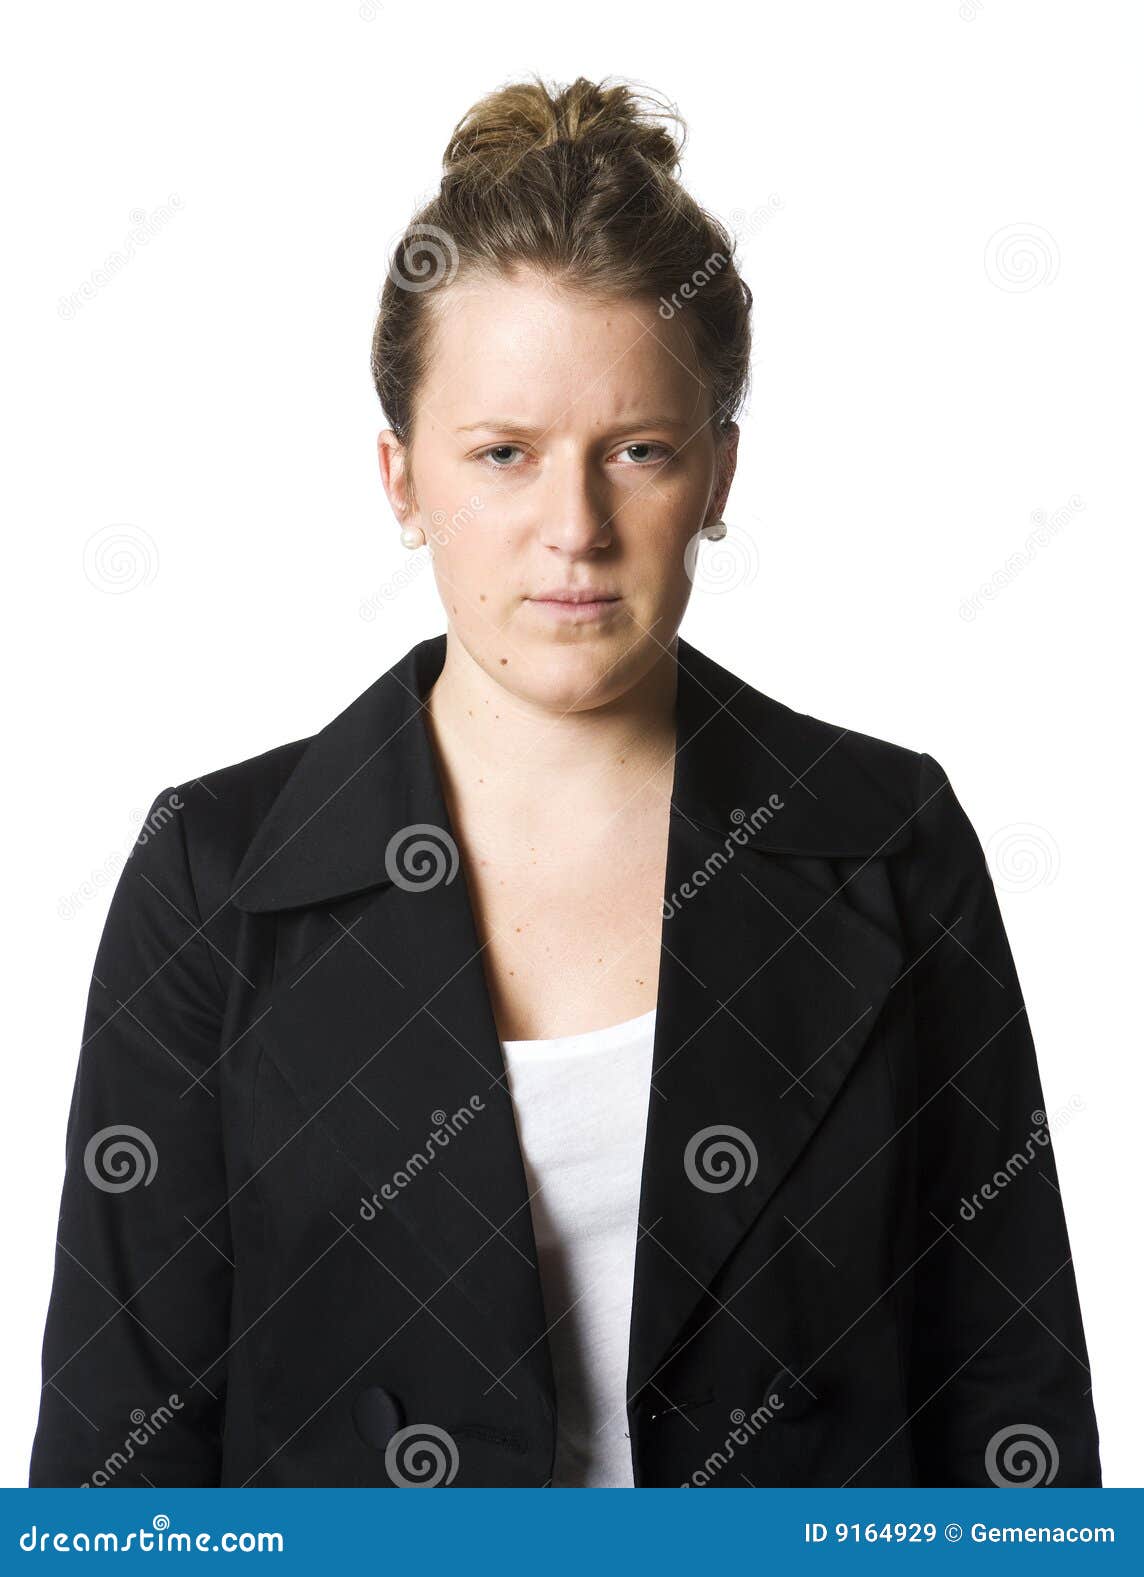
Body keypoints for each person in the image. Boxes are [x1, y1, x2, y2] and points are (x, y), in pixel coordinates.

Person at [30, 74, 1100, 1489]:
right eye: (503, 455)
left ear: (717, 474)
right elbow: (117, 1464)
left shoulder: (887, 842)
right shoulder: (215, 869)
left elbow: (1012, 1409)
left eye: (638, 452)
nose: (574, 528)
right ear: (403, 481)